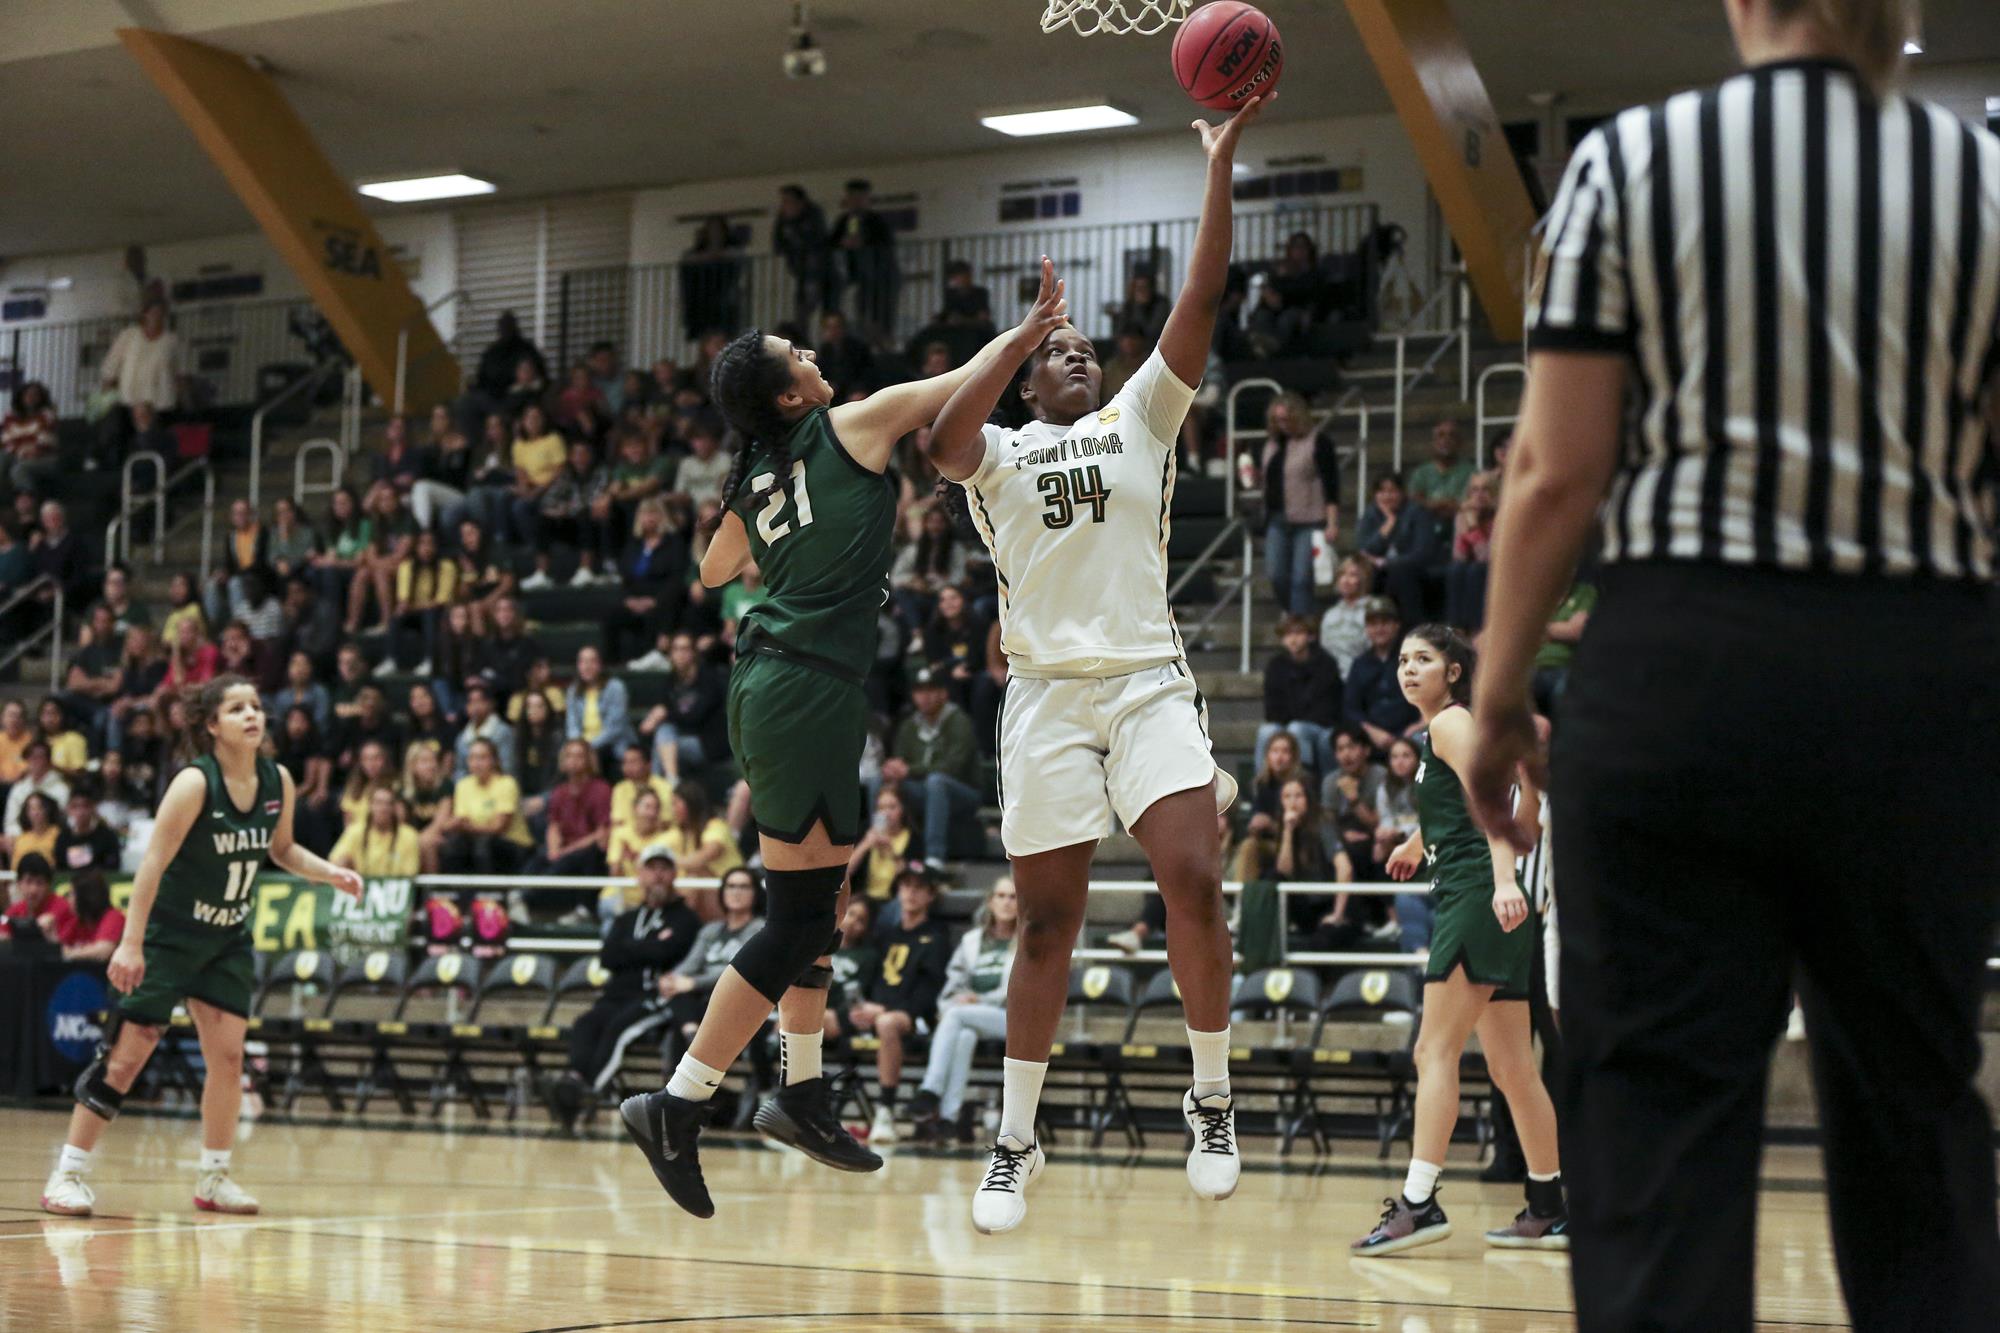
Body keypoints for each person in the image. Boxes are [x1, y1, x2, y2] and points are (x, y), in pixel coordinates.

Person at [1461, 4, 2000, 1326]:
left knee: (1655, 1136)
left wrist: (1497, 693)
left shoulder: (1633, 161)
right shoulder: (1985, 177)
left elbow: (1556, 469)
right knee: (1919, 1126)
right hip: (1922, 676)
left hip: (1683, 673)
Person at [620, 258, 1064, 1217]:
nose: (816, 355)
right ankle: (680, 1099)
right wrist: (1029, 332)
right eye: (800, 356)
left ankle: (805, 1091)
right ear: (791, 393)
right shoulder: (848, 423)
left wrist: (775, 515)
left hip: (776, 685)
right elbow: (951, 391)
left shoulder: (764, 468)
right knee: (794, 919)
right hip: (808, 691)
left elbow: (712, 567)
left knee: (816, 903)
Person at [923, 96, 1268, 1233]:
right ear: (1029, 381)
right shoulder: (1001, 454)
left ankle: (1211, 1096)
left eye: (1079, 347)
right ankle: (1014, 1137)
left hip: (1142, 682)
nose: (1074, 356)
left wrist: (1216, 166)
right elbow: (937, 443)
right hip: (1043, 701)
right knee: (1042, 924)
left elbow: (1201, 296)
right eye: (1055, 353)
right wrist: (1017, 333)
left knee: (1194, 878)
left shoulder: (1138, 420)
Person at [38, 676, 362, 1217]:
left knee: (229, 1059)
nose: (252, 716)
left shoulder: (278, 780)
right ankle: (66, 1173)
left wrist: (330, 873)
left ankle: (213, 1177)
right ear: (212, 725)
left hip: (227, 938)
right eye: (237, 709)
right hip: (169, 937)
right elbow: (151, 864)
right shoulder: (194, 783)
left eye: (257, 706)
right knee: (127, 1055)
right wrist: (131, 944)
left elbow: (281, 849)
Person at [1349, 627, 1564, 1255]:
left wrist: (1502, 880)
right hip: (1493, 902)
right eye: (1403, 660)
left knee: (1433, 1050)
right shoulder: (1443, 733)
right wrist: (1420, 843)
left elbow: (1494, 804)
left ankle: (1418, 1204)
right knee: (1513, 1067)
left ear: (1454, 672)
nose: (1408, 669)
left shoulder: (1449, 724)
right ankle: (1548, 1207)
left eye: (1424, 660)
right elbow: (1496, 802)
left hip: (1478, 897)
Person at [548, 843, 703, 1130]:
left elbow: (669, 952)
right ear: (640, 875)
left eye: (664, 869)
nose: (657, 876)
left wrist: (632, 949)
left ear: (673, 875)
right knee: (586, 1023)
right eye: (651, 869)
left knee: (617, 1029)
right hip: (615, 994)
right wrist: (651, 946)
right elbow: (608, 957)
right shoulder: (625, 918)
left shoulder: (685, 918)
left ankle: (588, 1091)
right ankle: (573, 1079)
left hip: (652, 997)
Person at [845, 869, 952, 1143]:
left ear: (930, 895)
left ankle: (885, 1111)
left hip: (917, 1015)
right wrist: (862, 1006)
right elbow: (870, 977)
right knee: (828, 1018)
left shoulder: (937, 935)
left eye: (919, 888)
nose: (911, 893)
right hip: (876, 1009)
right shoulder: (885, 934)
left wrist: (883, 1010)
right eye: (905, 886)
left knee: (887, 1023)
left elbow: (930, 988)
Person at [908, 878, 1019, 1144]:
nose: (1006, 902)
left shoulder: (1026, 941)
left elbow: (1018, 991)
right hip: (971, 1016)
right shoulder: (971, 940)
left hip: (1012, 1018)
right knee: (964, 1033)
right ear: (990, 901)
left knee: (957, 1016)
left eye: (1013, 897)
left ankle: (930, 1089)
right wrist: (957, 1002)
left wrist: (976, 1000)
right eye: (1001, 896)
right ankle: (949, 1118)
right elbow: (952, 987)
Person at [881, 667, 981, 873]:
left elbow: (954, 768)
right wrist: (893, 769)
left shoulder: (959, 721)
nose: (924, 697)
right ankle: (879, 846)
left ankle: (934, 856)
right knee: (879, 782)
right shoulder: (909, 725)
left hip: (963, 792)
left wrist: (910, 770)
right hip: (924, 790)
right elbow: (901, 762)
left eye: (930, 690)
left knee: (937, 781)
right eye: (919, 691)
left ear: (943, 693)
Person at [1260, 392, 1342, 616]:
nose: (1283, 425)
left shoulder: (1318, 442)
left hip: (1310, 519)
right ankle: (1295, 617)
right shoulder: (1272, 445)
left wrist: (1332, 523)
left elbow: (1331, 485)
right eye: (1278, 420)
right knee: (1276, 573)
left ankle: (1299, 624)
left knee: (1301, 578)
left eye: (1287, 420)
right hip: (1276, 517)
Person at [1257, 614, 1341, 779]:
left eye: (1298, 633)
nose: (1293, 639)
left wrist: (1296, 718)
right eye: (1288, 634)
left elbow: (1327, 708)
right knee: (1266, 731)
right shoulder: (1275, 666)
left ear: (1311, 636)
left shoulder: (1326, 664)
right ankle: (1262, 785)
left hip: (1319, 726)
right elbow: (1272, 709)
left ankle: (1301, 782)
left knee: (1298, 728)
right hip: (1287, 723)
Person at [1357, 474, 1440, 624]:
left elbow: (1423, 552)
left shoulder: (1417, 512)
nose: (1387, 496)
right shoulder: (1370, 514)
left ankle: (1406, 627)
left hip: (1413, 570)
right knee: (1359, 572)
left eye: (1392, 491)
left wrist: (1387, 562)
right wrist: (1389, 523)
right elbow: (1365, 550)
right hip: (1379, 572)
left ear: (1402, 493)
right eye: (1382, 491)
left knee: (1398, 571)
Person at [1342, 598, 1419, 751]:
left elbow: (1429, 697)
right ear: (1367, 629)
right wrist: (1372, 731)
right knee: (1342, 741)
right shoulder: (1359, 664)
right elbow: (1351, 708)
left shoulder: (1413, 659)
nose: (1379, 629)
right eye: (1373, 624)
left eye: (1385, 623)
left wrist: (1416, 727)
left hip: (1410, 732)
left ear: (1396, 626)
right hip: (1373, 735)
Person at [39, 868, 125, 963]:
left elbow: (103, 951)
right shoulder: (76, 920)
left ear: (86, 897)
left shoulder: (113, 917)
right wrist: (51, 935)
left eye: (72, 894)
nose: (68, 899)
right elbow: (61, 949)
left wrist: (69, 953)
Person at [1406, 420, 1475, 524]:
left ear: (1460, 443)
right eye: (1441, 435)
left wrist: (1452, 506)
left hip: (1461, 523)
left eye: (1452, 436)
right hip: (1427, 524)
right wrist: (1438, 504)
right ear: (1433, 443)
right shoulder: (1421, 473)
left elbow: (1475, 500)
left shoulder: (1472, 472)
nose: (1446, 440)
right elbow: (1414, 500)